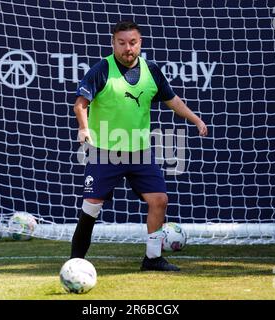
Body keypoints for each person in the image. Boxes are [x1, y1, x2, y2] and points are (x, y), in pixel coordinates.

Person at [71, 20, 207, 271]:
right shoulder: (101, 69)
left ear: (140, 43)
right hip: (105, 153)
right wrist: (84, 127)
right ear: (113, 43)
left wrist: (195, 119)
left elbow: (173, 100)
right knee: (91, 208)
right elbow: (80, 103)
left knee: (159, 200)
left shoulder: (151, 70)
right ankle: (75, 262)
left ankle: (153, 259)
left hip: (140, 153)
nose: (127, 48)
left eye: (132, 42)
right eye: (121, 43)